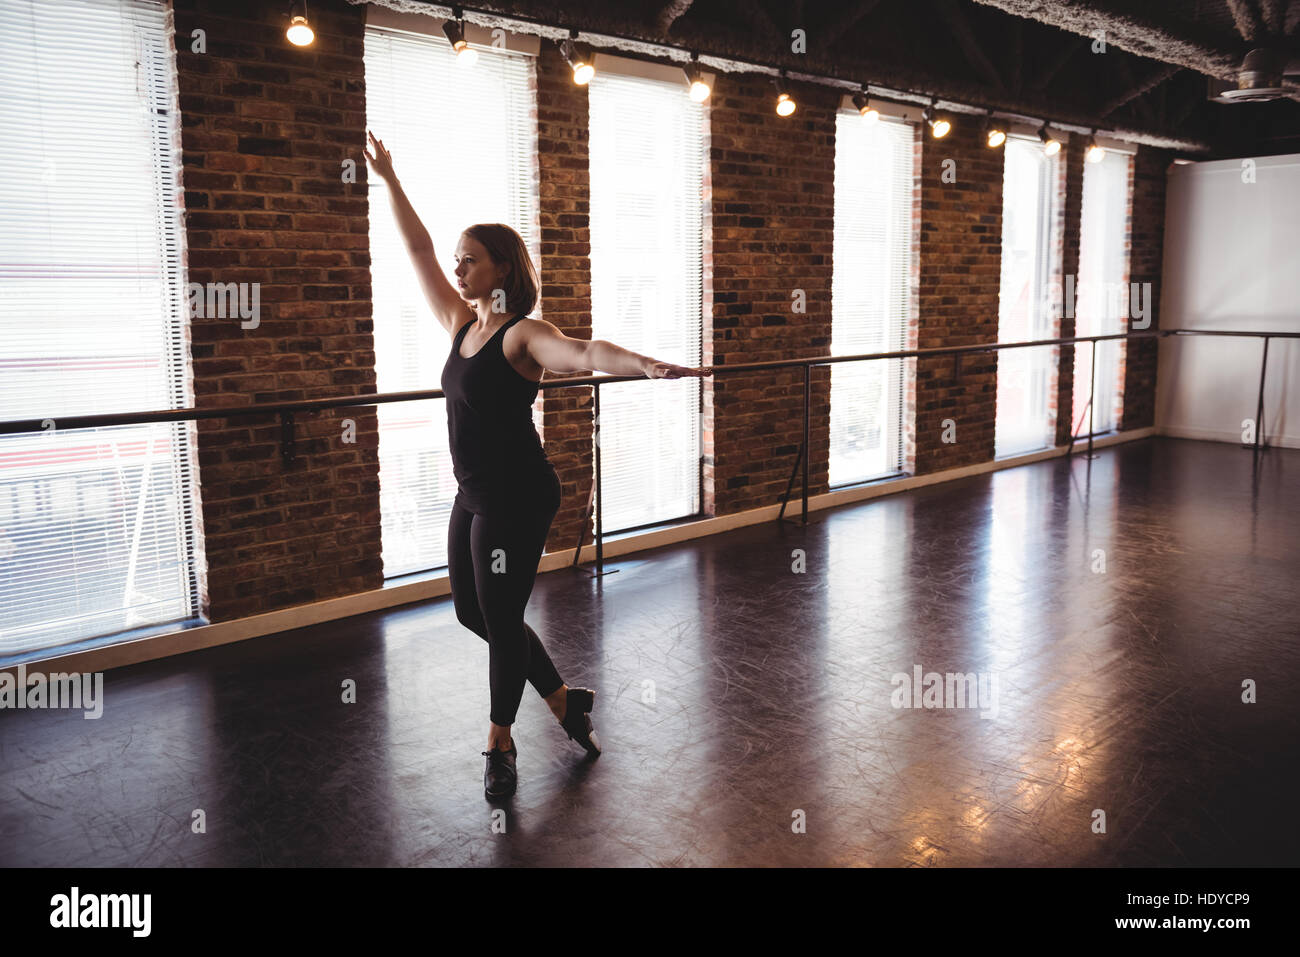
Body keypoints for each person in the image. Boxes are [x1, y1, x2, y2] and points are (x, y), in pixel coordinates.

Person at [364, 131, 712, 800]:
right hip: (474, 494)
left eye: (471, 261)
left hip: (519, 497)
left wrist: (641, 363)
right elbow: (415, 248)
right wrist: (391, 181)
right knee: (473, 611)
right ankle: (563, 700)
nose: (458, 269)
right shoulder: (461, 324)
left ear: (501, 268)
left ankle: (500, 740)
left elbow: (582, 351)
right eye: (457, 260)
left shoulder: (522, 332)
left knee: (499, 617)